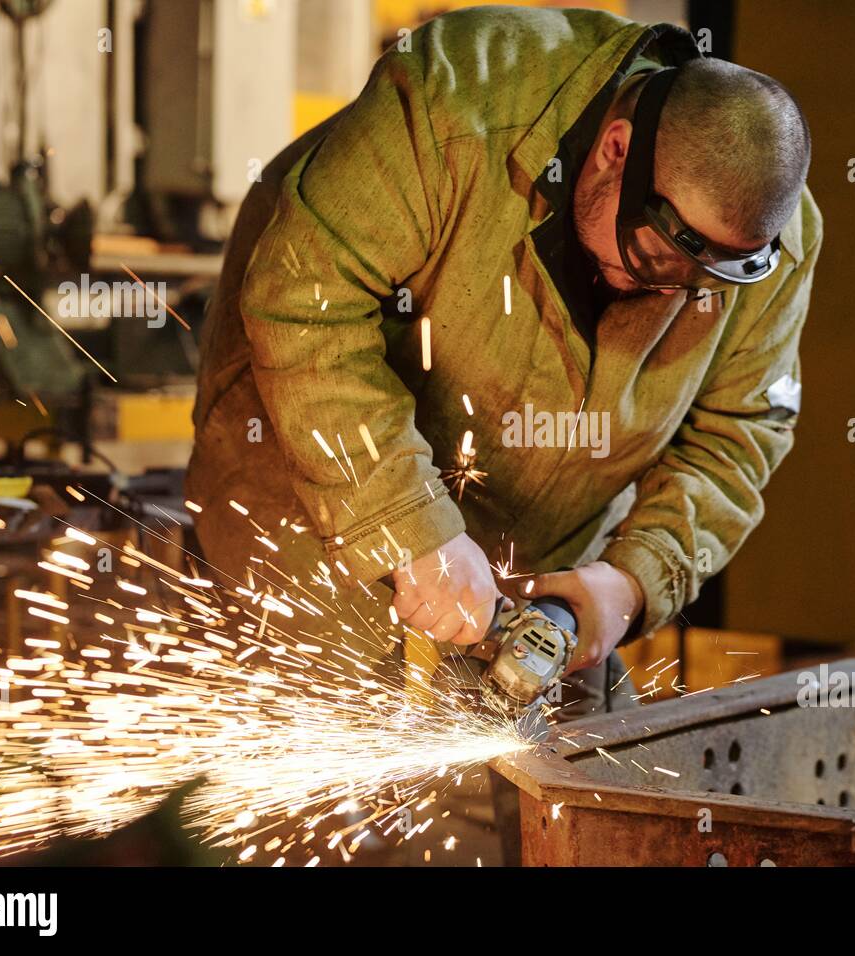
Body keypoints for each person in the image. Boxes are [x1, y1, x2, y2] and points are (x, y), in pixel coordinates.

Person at [187, 6, 821, 719]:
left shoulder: (767, 242)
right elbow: (304, 304)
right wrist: (409, 529)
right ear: (617, 149)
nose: (663, 289)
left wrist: (630, 585)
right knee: (314, 725)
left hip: (543, 543)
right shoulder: (456, 99)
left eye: (696, 286)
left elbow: (736, 438)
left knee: (589, 781)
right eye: (651, 256)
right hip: (320, 466)